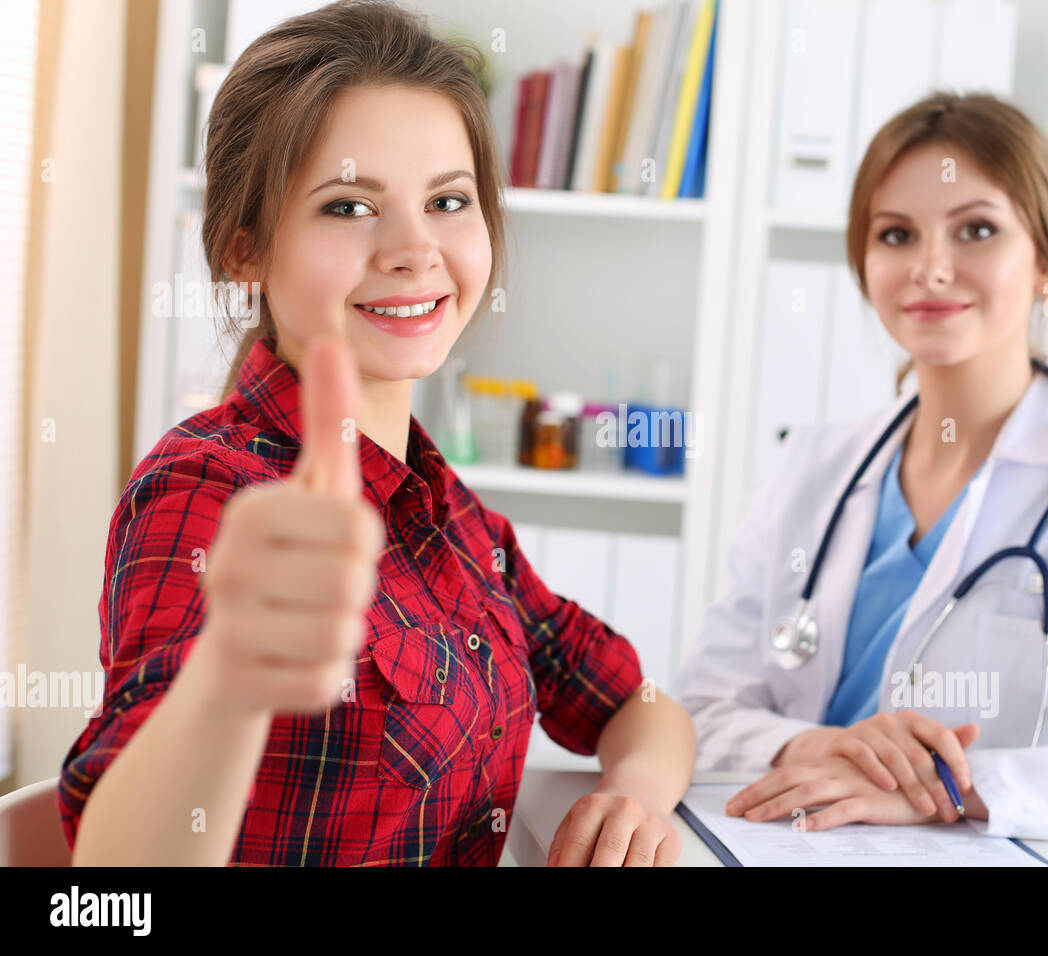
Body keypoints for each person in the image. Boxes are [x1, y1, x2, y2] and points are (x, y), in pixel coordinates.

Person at [60, 0, 694, 867]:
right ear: (243, 248)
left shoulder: (455, 518)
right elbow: (116, 876)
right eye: (350, 207)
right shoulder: (205, 492)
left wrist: (634, 796)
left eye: (447, 200)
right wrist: (230, 676)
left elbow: (636, 699)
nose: (413, 249)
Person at [675, 91, 1048, 842]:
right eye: (896, 235)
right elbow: (700, 711)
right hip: (777, 844)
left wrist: (952, 786)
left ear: (1047, 262)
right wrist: (818, 747)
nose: (931, 269)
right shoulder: (815, 465)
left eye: (976, 230)